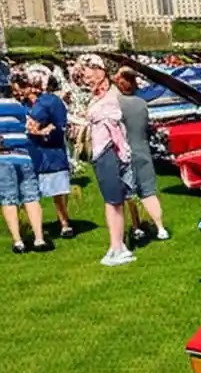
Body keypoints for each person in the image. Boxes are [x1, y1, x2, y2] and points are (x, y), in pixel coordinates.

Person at [77, 54, 136, 266]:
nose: (86, 79)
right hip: (101, 152)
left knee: (114, 201)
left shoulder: (111, 97)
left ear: (101, 72)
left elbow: (115, 127)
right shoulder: (99, 97)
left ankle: (118, 247)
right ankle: (115, 245)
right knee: (110, 202)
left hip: (110, 151)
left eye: (89, 74)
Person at [113, 67, 168, 243]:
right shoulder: (141, 103)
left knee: (129, 192)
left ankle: (136, 226)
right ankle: (160, 228)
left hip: (124, 152)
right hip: (142, 149)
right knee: (149, 191)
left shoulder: (116, 104)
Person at [22, 66, 74, 239]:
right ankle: (33, 227)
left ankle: (65, 223)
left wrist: (42, 131)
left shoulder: (50, 101)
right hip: (29, 153)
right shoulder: (23, 104)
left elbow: (60, 124)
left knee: (58, 190)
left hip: (50, 153)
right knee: (29, 192)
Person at [1, 80, 50, 254]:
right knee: (31, 197)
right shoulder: (19, 107)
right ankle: (39, 238)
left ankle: (18, 241)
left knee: (8, 199)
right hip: (24, 155)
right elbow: (28, 127)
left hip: (3, 157)